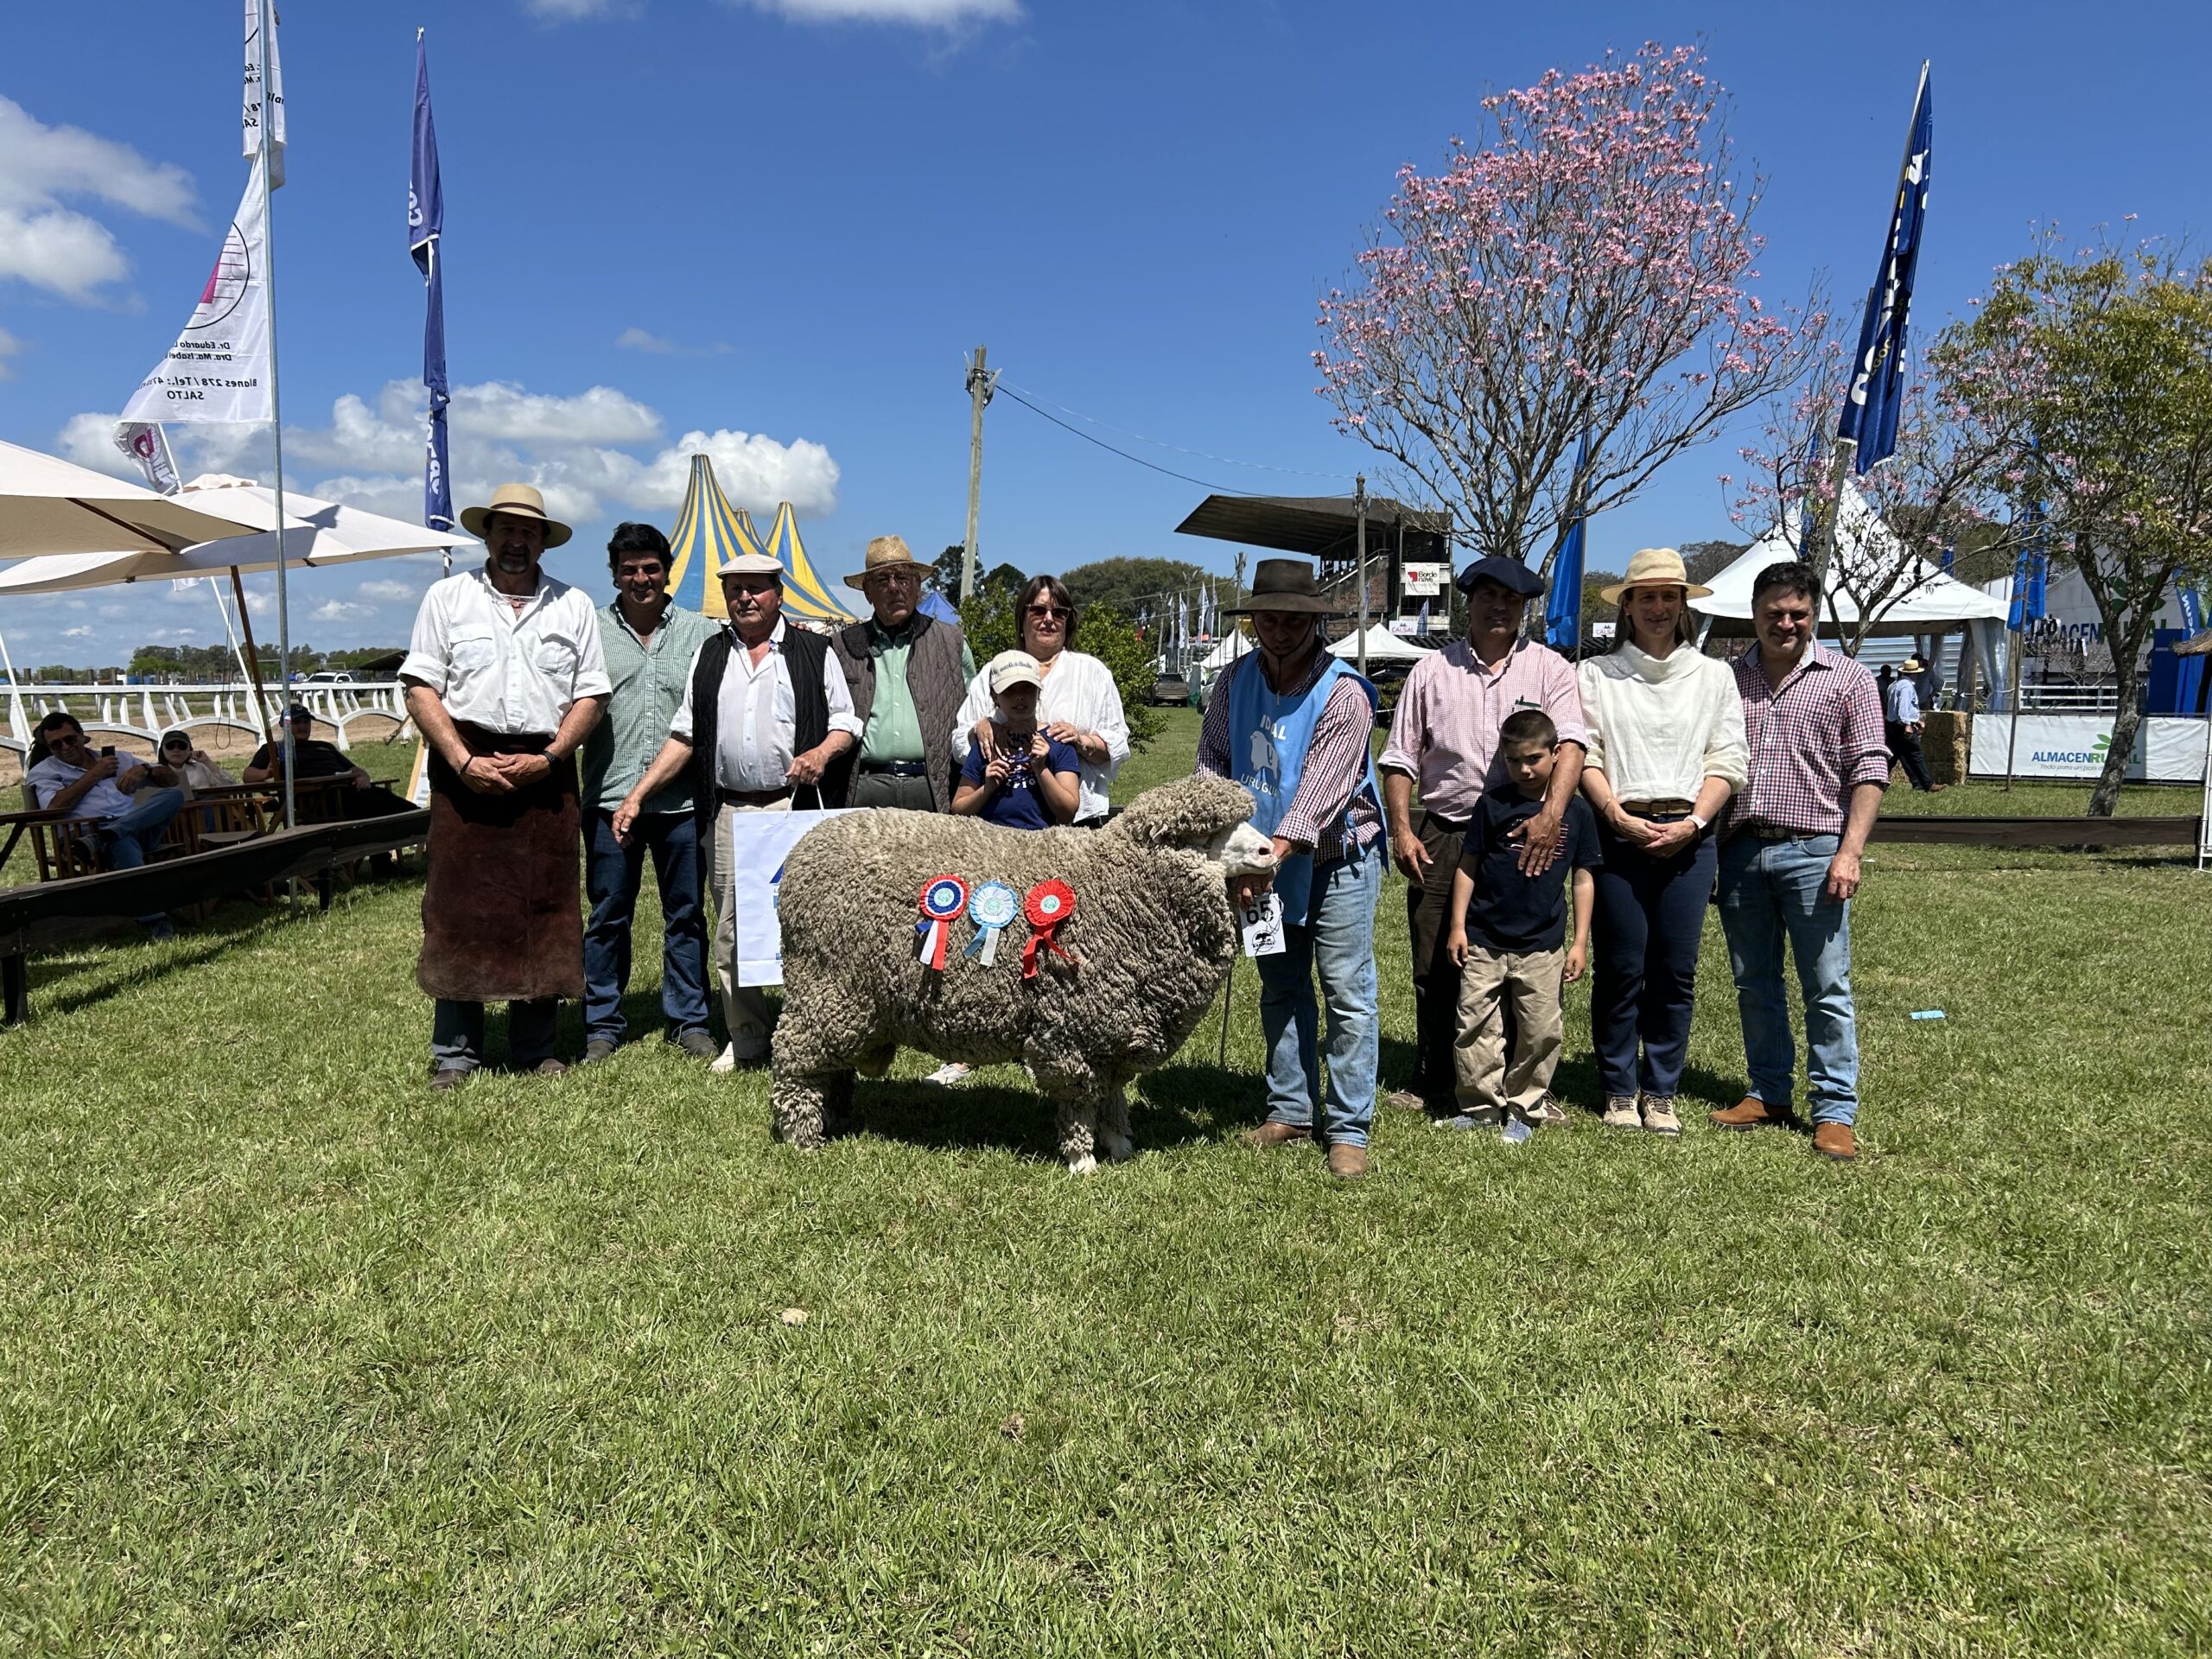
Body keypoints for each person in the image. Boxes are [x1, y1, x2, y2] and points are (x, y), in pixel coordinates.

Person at [615, 550, 861, 1070]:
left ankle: (810, 1030)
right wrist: (637, 794)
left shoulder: (815, 651)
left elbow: (847, 721)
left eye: (756, 588)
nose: (744, 598)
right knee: (732, 928)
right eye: (735, 589)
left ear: (778, 593)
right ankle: (747, 1035)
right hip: (728, 812)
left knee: (809, 927)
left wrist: (820, 754)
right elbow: (685, 733)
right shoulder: (710, 655)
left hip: (794, 807)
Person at [399, 483, 611, 1088]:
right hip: (464, 771)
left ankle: (535, 1047)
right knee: (457, 907)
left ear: (543, 541)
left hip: (545, 774)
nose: (516, 541)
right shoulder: (447, 598)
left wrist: (550, 756)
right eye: (506, 530)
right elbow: (419, 688)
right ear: (487, 534)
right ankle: (455, 1054)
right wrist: (463, 760)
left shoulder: (573, 606)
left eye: (528, 532)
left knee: (543, 908)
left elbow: (592, 694)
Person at [1377, 555, 1588, 1114]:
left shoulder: (1550, 670)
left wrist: (1551, 816)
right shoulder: (1431, 672)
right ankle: (1435, 1078)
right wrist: (1402, 829)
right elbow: (1399, 759)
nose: (1500, 607)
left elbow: (1572, 746)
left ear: (1524, 608)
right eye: (1490, 596)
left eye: (1513, 600)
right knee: (1438, 963)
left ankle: (1523, 1090)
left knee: (1528, 962)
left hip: (1526, 837)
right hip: (1445, 834)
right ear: (1468, 600)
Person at [1198, 558, 1384, 1181]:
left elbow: (1316, 800)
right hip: (1257, 860)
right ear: (1252, 621)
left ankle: (1349, 1127)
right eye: (1267, 618)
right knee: (1279, 985)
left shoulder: (1346, 693)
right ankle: (1290, 1109)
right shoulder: (1229, 685)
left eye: (1292, 620)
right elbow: (1211, 771)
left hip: (1336, 857)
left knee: (1346, 991)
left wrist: (1261, 860)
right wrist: (1229, 852)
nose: (1278, 630)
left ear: (1315, 622)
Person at [1711, 561, 1891, 1162]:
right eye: (1773, 614)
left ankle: (1835, 1111)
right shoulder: (1727, 680)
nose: (1785, 624)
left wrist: (1850, 851)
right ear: (1755, 614)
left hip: (1816, 851)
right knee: (1753, 982)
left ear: (1813, 614)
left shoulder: (1848, 679)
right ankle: (1767, 1092)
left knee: (1826, 986)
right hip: (1740, 849)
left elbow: (1870, 768)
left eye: (1797, 614)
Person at [1575, 547, 1747, 1135]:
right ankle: (1620, 1088)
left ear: (1682, 606)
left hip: (1689, 838)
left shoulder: (1713, 675)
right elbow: (1586, 754)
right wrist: (1616, 816)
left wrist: (1694, 825)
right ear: (1626, 606)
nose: (1657, 607)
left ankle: (1662, 1089)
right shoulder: (1595, 674)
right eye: (1645, 596)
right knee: (1621, 967)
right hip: (1618, 833)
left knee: (1675, 970)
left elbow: (1728, 759)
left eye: (1667, 597)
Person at [577, 522, 721, 1064]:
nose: (641, 578)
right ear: (614, 574)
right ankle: (602, 1025)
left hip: (682, 804)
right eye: (629, 569)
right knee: (608, 913)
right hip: (611, 799)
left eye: (651, 568)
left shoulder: (700, 634)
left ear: (668, 572)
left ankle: (689, 1020)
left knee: (684, 913)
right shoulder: (590, 631)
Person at [1441, 709, 1602, 1132]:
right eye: (1514, 760)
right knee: (1475, 1026)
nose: (1524, 769)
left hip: (1543, 945)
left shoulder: (1578, 813)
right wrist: (1458, 926)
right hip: (1484, 938)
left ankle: (1525, 1109)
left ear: (1556, 754)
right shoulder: (1492, 805)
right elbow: (1467, 866)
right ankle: (1480, 1107)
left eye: (1534, 758)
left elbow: (1583, 879)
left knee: (1539, 1031)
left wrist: (1580, 942)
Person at [952, 575, 1129, 823]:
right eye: (1038, 610)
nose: (1048, 619)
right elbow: (959, 744)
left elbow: (1118, 745)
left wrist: (1082, 742)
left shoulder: (1092, 672)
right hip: (1001, 823)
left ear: (1068, 620)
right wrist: (979, 728)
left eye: (1059, 612)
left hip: (1075, 819)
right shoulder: (992, 671)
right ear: (1021, 618)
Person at [829, 535, 975, 811]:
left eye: (903, 578)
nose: (894, 588)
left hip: (932, 787)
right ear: (867, 592)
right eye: (882, 580)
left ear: (918, 585)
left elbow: (974, 712)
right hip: (863, 786)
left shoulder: (952, 642)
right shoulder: (842, 647)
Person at [24, 712, 186, 937]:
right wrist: (94, 774)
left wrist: (146, 770)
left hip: (129, 830)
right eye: (55, 745)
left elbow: (173, 779)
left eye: (69, 739)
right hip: (82, 839)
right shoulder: (45, 772)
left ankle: (108, 835)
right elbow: (52, 809)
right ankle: (154, 920)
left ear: (82, 737)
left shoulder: (119, 758)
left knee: (173, 796)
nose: (64, 747)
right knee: (122, 841)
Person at [953, 652, 1081, 828]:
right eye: (1009, 690)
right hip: (990, 845)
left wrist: (1041, 768)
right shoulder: (986, 742)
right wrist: (987, 788)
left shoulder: (1058, 741)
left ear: (1039, 691)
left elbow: (1068, 813)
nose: (1019, 696)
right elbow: (958, 809)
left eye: (1027, 688)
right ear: (995, 697)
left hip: (1041, 844)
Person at [244, 705, 414, 817]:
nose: (302, 727)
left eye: (306, 722)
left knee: (385, 797)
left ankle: (422, 820)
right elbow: (247, 775)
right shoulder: (275, 748)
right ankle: (383, 861)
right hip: (317, 801)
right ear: (283, 725)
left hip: (347, 790)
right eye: (296, 722)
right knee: (375, 805)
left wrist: (363, 777)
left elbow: (356, 770)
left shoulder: (324, 746)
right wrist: (267, 773)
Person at [1883, 655, 1942, 792]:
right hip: (1902, 726)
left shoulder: (1895, 685)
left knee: (1894, 756)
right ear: (1915, 673)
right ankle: (1928, 784)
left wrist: (1916, 721)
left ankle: (1880, 780)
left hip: (1893, 725)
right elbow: (1903, 707)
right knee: (1916, 754)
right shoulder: (1907, 687)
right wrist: (1908, 724)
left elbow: (1896, 707)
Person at [158, 730, 232, 794]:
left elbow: (229, 786)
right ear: (162, 749)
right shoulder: (154, 771)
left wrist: (207, 762)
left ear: (189, 749)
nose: (176, 750)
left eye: (182, 746)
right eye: (170, 746)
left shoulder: (201, 767)